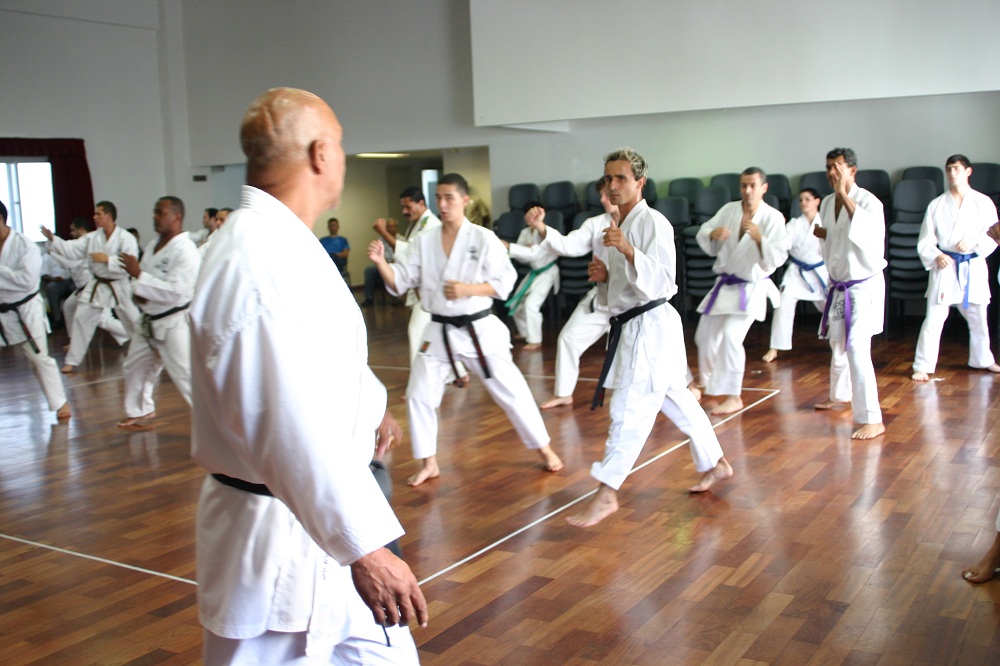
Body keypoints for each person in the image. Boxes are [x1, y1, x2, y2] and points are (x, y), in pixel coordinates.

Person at [189, 87, 425, 664]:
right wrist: (365, 550)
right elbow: (282, 425)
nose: (342, 157)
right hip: (275, 549)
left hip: (324, 528)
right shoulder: (253, 259)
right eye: (342, 145)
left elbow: (315, 360)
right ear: (321, 152)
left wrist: (368, 405)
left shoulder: (285, 243)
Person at [566, 149, 731, 528]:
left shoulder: (654, 223)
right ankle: (717, 463)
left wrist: (627, 249)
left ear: (640, 182)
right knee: (678, 401)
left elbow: (663, 282)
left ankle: (606, 493)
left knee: (630, 407)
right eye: (608, 178)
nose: (613, 185)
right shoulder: (612, 227)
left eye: (621, 178)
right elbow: (615, 296)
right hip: (634, 325)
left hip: (650, 325)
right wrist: (605, 280)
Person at [368, 172, 563, 487]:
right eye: (439, 198)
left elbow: (506, 282)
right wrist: (380, 263)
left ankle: (545, 449)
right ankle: (428, 462)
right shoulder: (424, 241)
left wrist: (469, 289)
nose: (443, 204)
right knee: (418, 395)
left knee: (512, 391)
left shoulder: (482, 238)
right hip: (439, 332)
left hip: (479, 329)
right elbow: (400, 281)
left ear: (464, 200)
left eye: (449, 198)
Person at [695, 167, 789, 414]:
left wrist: (760, 239)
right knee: (704, 336)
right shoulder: (728, 210)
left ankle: (734, 395)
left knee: (731, 336)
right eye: (743, 185)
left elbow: (778, 256)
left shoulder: (773, 218)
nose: (747, 191)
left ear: (764, 188)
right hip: (725, 284)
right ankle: (707, 382)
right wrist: (712, 234)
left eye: (752, 186)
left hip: (751, 288)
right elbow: (705, 231)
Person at [813, 147, 886, 440]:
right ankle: (839, 395)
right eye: (829, 166)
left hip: (862, 287)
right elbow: (832, 239)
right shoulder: (827, 202)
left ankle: (872, 418)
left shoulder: (870, 202)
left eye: (838, 167)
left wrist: (845, 193)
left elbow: (868, 237)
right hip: (839, 285)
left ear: (852, 171)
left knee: (857, 349)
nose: (832, 172)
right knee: (837, 344)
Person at [529, 178, 617, 408]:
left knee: (651, 348)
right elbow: (569, 246)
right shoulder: (596, 223)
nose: (601, 199)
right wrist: (540, 227)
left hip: (633, 303)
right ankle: (564, 393)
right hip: (602, 299)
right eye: (601, 194)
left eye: (606, 194)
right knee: (568, 338)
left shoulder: (641, 223)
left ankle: (685, 385)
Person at [911, 155, 999, 381]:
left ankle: (983, 359)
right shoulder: (937, 205)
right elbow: (925, 240)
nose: (952, 173)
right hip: (946, 267)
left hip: (973, 264)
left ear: (968, 171)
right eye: (949, 169)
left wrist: (976, 243)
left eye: (957, 169)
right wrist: (937, 254)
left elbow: (994, 235)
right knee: (934, 317)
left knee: (978, 316)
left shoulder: (983, 202)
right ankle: (923, 365)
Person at [117, 196, 200, 428]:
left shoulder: (186, 250)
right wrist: (139, 287)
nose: (155, 217)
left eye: (160, 213)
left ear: (177, 216)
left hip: (173, 322)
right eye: (154, 212)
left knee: (186, 376)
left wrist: (139, 277)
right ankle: (140, 409)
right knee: (134, 366)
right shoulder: (154, 244)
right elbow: (145, 279)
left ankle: (217, 427)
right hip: (148, 319)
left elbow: (178, 291)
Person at [42, 200, 140, 374]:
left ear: (109, 216)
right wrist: (53, 239)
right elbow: (71, 249)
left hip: (119, 285)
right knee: (81, 318)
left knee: (133, 321)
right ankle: (72, 360)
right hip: (98, 284)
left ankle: (148, 350)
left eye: (98, 214)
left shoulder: (126, 238)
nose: (94, 217)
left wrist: (108, 259)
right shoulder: (92, 237)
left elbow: (131, 262)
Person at [0, 200, 71, 420]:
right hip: (3, 310)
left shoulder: (25, 246)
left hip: (24, 310)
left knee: (38, 358)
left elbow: (26, 280)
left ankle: (60, 403)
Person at [372, 187, 443, 362]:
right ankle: (455, 372)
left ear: (421, 203)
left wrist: (383, 232)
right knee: (435, 332)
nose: (404, 211)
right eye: (403, 207)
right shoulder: (418, 223)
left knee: (417, 330)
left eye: (408, 207)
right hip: (424, 288)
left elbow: (407, 250)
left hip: (431, 290)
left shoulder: (430, 224)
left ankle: (419, 375)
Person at [763, 188, 829, 363]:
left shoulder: (826, 222)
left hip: (819, 271)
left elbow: (833, 245)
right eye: (801, 200)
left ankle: (838, 342)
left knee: (831, 308)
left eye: (808, 199)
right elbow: (783, 243)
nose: (803, 202)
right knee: (783, 304)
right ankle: (775, 347)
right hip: (796, 272)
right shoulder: (793, 224)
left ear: (817, 201)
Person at [52, 218, 130, 346]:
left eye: (73, 230)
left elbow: (71, 263)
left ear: (81, 230)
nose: (71, 233)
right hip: (83, 289)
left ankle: (133, 334)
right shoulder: (81, 243)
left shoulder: (91, 243)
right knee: (68, 307)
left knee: (104, 320)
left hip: (94, 287)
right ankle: (75, 343)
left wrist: (53, 253)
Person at [505, 201, 560, 351]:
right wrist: (522, 251)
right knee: (514, 304)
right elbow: (522, 258)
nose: (530, 218)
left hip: (547, 272)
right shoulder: (524, 233)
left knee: (531, 304)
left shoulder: (546, 233)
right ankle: (524, 332)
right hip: (534, 272)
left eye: (534, 214)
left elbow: (534, 254)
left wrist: (512, 247)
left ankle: (535, 339)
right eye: (528, 215)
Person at [360, 218, 398, 306]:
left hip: (397, 265)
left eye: (393, 226)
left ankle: (396, 297)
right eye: (388, 226)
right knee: (369, 269)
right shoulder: (380, 240)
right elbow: (378, 255)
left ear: (396, 228)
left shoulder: (402, 239)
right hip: (384, 264)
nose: (390, 228)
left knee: (397, 269)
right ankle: (369, 298)